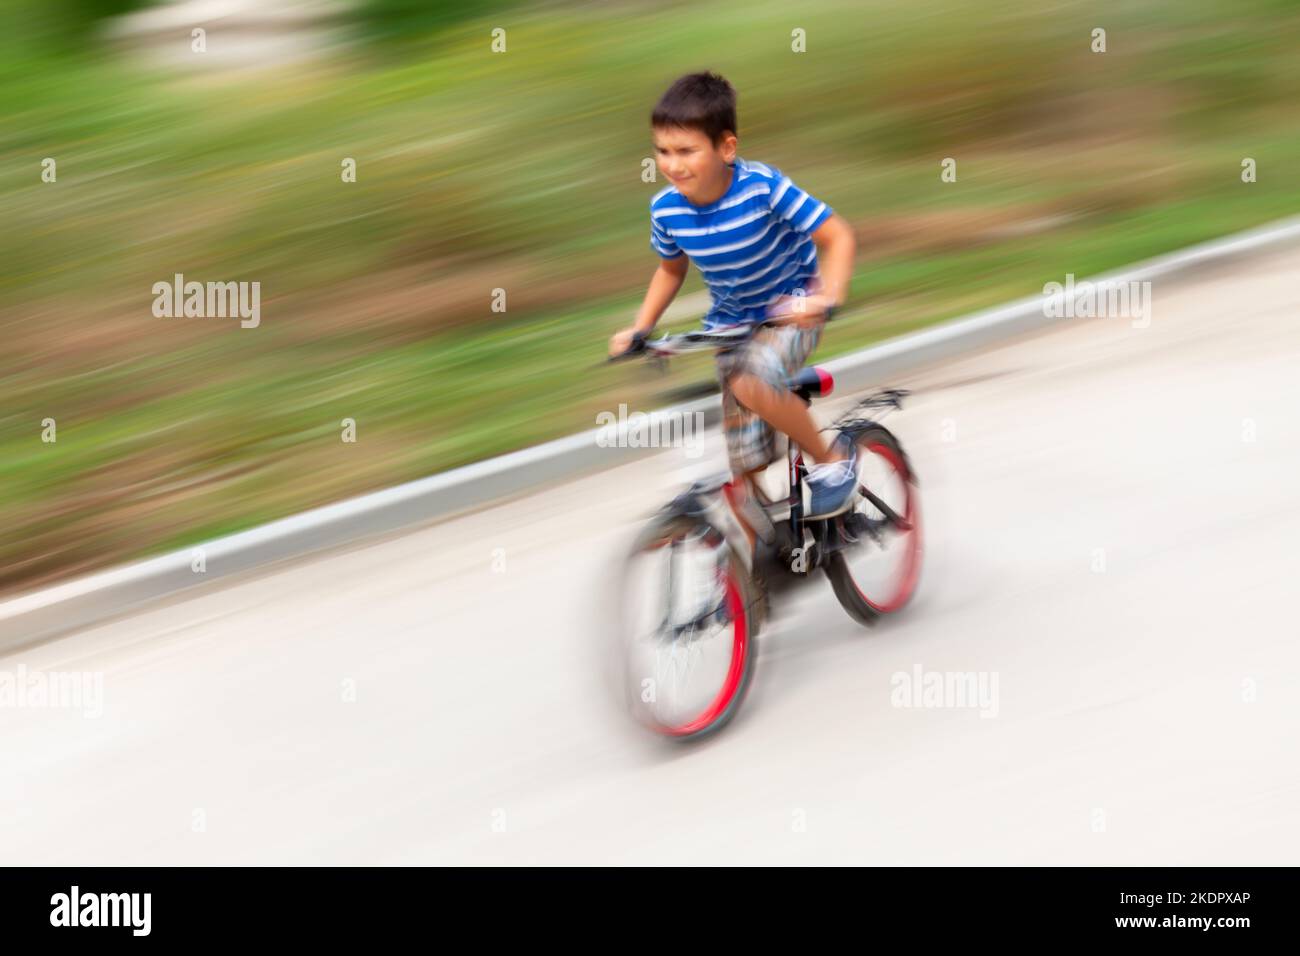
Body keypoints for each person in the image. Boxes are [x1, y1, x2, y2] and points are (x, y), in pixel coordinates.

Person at [609, 71, 860, 553]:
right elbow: (670, 271)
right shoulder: (666, 211)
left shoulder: (762, 187)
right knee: (742, 474)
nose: (671, 164)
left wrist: (825, 298)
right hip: (732, 326)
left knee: (750, 381)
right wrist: (641, 328)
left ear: (726, 148)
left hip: (792, 308)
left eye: (686, 151)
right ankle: (759, 583)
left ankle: (832, 463)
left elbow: (837, 235)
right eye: (662, 151)